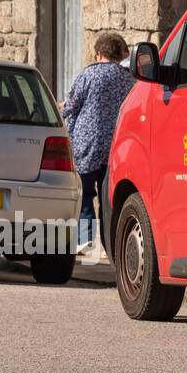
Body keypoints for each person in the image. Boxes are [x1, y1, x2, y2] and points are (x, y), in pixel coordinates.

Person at [62, 33, 135, 252]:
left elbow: (71, 107)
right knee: (108, 200)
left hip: (87, 144)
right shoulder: (129, 77)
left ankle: (85, 238)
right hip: (115, 146)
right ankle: (110, 245)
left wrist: (62, 108)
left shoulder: (90, 74)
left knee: (84, 192)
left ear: (99, 53)